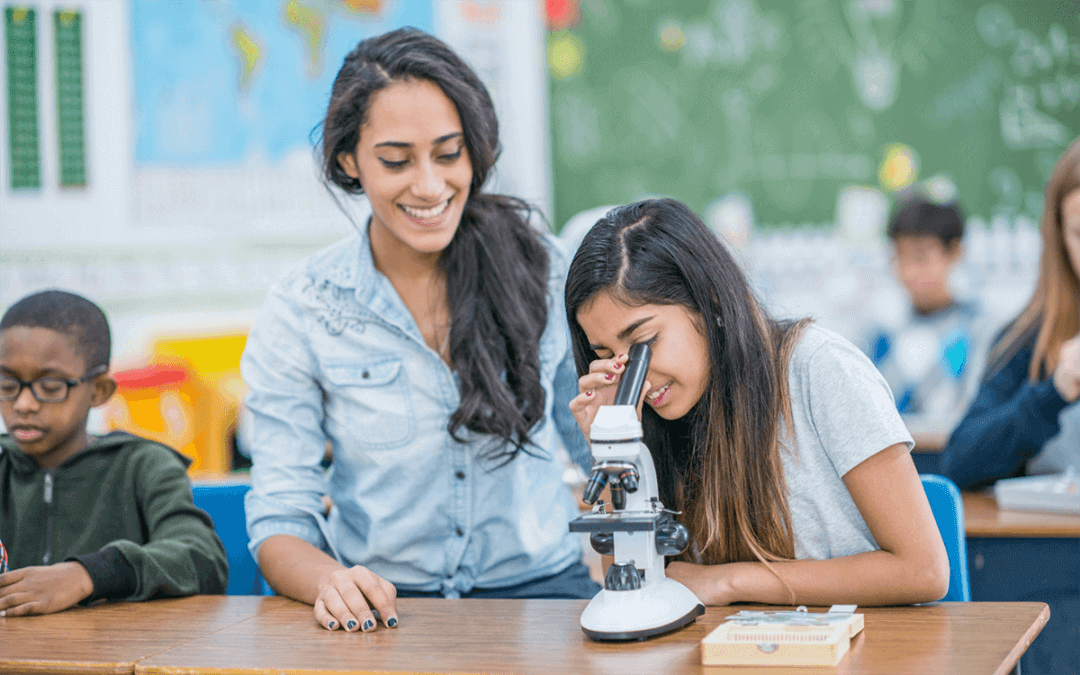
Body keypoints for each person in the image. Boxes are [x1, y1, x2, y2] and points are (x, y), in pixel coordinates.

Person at [242, 27, 597, 634]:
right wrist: (333, 581)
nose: (429, 186)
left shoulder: (548, 270)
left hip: (545, 602)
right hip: (382, 608)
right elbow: (281, 516)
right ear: (349, 160)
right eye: (396, 160)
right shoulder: (304, 306)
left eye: (449, 153)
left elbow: (602, 450)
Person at [565, 198, 949, 607]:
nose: (633, 378)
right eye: (606, 356)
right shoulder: (648, 413)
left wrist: (731, 582)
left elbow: (923, 571)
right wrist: (615, 446)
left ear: (708, 298)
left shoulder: (819, 369)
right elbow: (627, 585)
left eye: (643, 343)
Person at [0, 290, 228, 616]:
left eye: (50, 387)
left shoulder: (145, 466)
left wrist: (90, 574)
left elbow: (202, 560)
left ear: (99, 391)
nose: (23, 404)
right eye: (8, 384)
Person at [941, 138, 1080, 489]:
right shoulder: (1030, 338)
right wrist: (1056, 391)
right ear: (1060, 239)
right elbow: (960, 462)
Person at [861, 188, 990, 433]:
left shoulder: (980, 329)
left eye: (920, 257)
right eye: (900, 257)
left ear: (955, 252)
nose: (908, 272)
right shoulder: (881, 334)